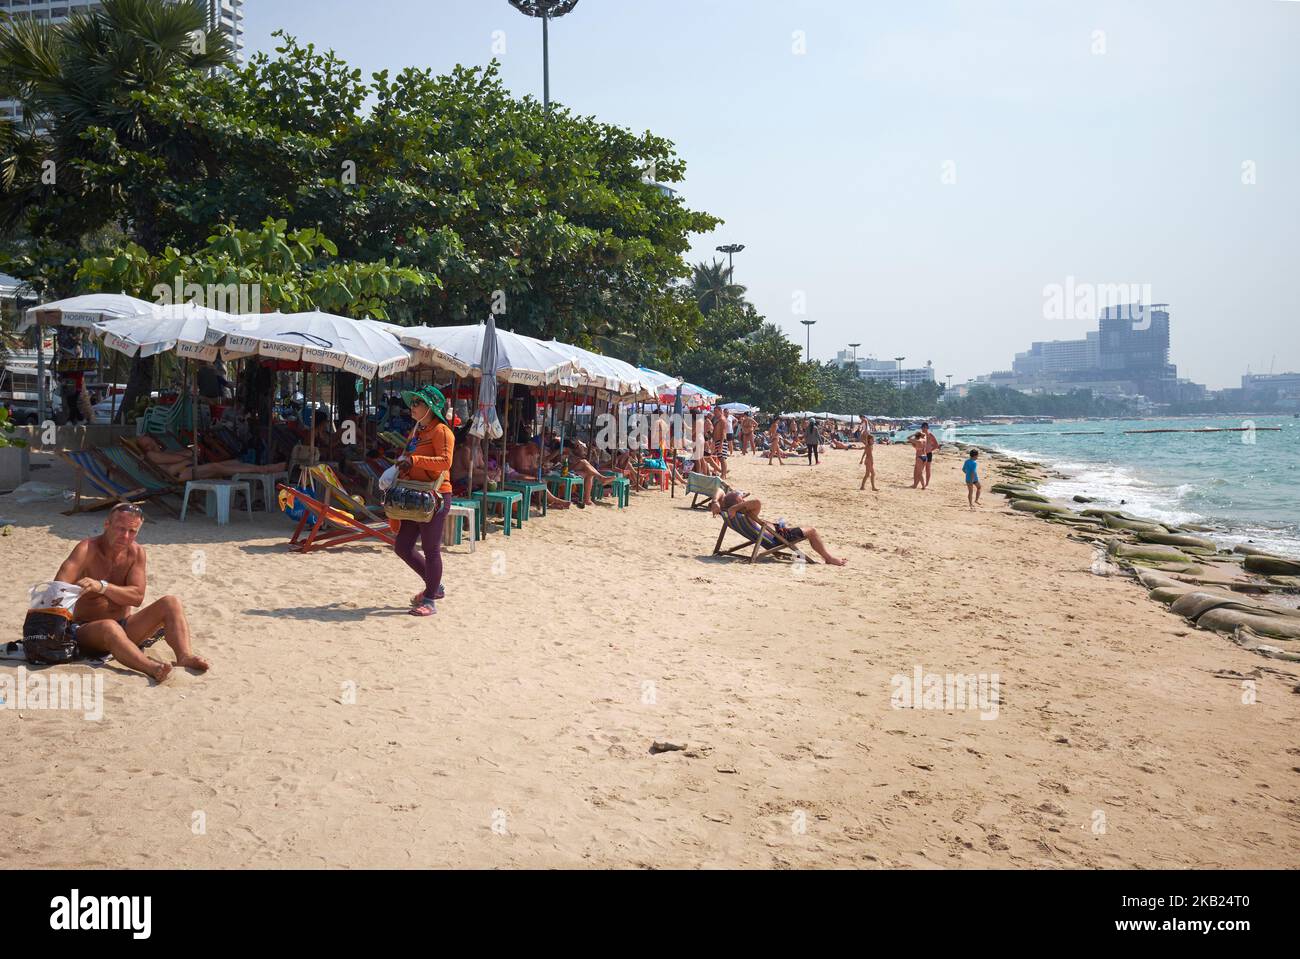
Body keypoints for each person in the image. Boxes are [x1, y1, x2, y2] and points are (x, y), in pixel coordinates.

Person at [52, 502, 209, 682]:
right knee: (109, 626)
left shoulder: (136, 552)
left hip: (125, 627)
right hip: (86, 630)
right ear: (107, 525)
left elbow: (136, 597)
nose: (125, 536)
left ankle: (184, 656)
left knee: (170, 602)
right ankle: (151, 668)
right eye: (120, 529)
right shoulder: (87, 549)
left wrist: (102, 587)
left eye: (132, 531)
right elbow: (56, 589)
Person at [394, 386, 454, 617]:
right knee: (402, 547)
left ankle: (430, 600)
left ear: (430, 407)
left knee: (431, 549)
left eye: (417, 403)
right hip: (414, 493)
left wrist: (415, 460)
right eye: (413, 402)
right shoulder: (418, 430)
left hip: (434, 496)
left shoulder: (441, 431)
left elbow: (445, 462)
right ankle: (434, 586)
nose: (413, 406)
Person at [709, 489, 847, 566]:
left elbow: (720, 490)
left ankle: (828, 557)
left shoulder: (729, 513)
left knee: (783, 522)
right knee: (811, 531)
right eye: (742, 499)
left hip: (771, 533)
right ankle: (829, 558)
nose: (744, 500)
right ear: (738, 503)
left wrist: (715, 501)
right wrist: (738, 506)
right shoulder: (748, 513)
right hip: (779, 538)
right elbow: (757, 502)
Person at [135, 435, 286, 482]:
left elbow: (183, 456)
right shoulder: (151, 455)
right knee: (216, 467)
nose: (150, 444)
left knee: (232, 462)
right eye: (146, 444)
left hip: (186, 469)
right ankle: (264, 469)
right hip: (179, 474)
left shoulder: (161, 451)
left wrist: (186, 456)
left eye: (149, 441)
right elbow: (179, 457)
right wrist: (187, 456)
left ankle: (264, 469)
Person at [917, 422, 940, 487]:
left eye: (925, 427)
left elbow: (936, 445)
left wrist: (930, 450)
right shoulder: (919, 435)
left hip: (928, 454)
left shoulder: (930, 435)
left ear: (927, 428)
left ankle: (926, 484)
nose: (923, 429)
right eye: (922, 427)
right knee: (919, 469)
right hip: (921, 453)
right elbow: (916, 443)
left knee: (927, 469)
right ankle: (919, 483)